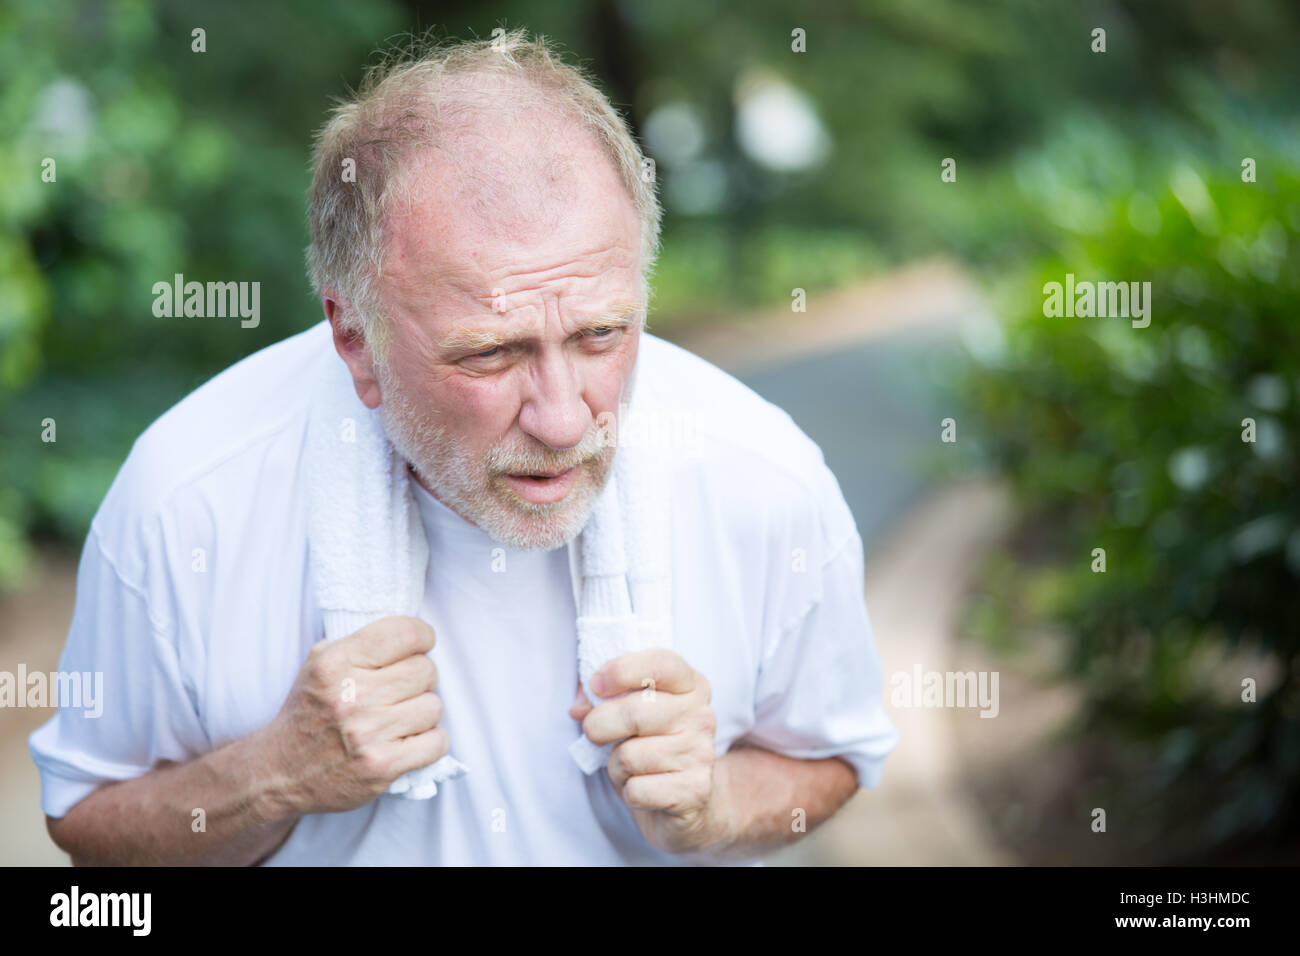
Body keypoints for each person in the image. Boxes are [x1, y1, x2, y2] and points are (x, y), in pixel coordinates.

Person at [29, 29, 898, 866]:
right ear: (355, 340)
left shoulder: (766, 478)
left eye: (601, 334)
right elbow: (88, 827)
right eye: (491, 351)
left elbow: (830, 757)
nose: (563, 420)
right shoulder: (188, 498)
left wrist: (714, 807)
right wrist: (271, 777)